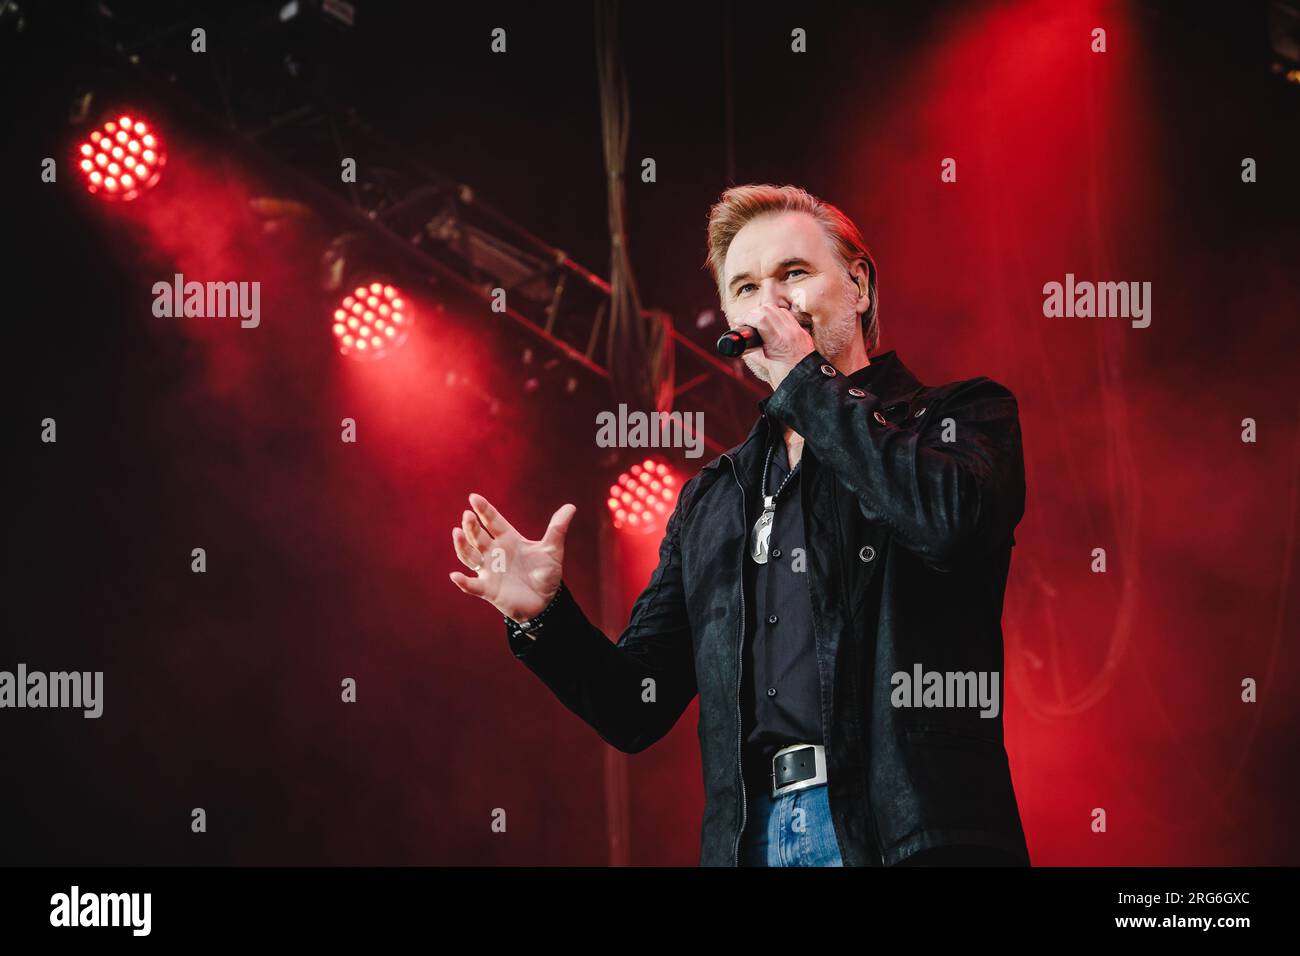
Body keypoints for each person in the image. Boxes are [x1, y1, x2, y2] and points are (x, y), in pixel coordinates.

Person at [450, 183, 1031, 867]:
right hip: (752, 840)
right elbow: (636, 706)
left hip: (903, 832)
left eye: (794, 274)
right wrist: (544, 618)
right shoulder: (713, 498)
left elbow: (947, 524)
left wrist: (808, 383)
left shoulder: (956, 417)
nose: (772, 303)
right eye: (747, 287)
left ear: (860, 285)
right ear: (731, 316)